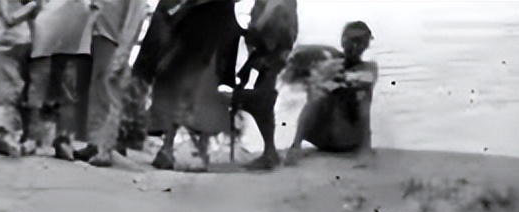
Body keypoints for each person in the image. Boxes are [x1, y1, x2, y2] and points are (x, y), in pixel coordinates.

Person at [133, 0, 241, 172]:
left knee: (197, 87)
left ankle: (189, 150)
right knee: (186, 86)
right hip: (195, 28)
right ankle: (180, 149)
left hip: (207, 29)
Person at [284, 21, 377, 164]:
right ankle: (296, 146)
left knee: (362, 94)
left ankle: (366, 147)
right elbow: (299, 50)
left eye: (360, 42)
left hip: (347, 138)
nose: (355, 47)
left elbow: (361, 82)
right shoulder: (333, 61)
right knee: (318, 94)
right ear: (343, 42)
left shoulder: (369, 67)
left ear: (366, 45)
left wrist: (334, 80)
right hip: (322, 136)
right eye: (351, 42)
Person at [72, 0, 148, 167]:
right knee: (96, 89)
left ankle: (105, 147)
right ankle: (94, 142)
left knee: (109, 90)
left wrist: (124, 51)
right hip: (96, 32)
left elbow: (136, 17)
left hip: (113, 39)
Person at [233, 0, 299, 171]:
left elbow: (270, 23)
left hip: (269, 54)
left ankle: (270, 152)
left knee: (260, 99)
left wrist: (252, 34)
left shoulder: (278, 5)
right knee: (262, 98)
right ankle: (269, 151)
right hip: (271, 53)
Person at [26, 0, 93, 160]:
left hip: (51, 28)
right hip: (72, 30)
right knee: (64, 88)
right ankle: (61, 139)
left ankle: (34, 138)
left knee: (40, 84)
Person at [0, 0, 40, 157]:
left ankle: (5, 134)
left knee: (6, 88)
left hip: (12, 40)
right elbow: (9, 18)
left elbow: (8, 18)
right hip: (19, 38)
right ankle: (15, 135)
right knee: (14, 87)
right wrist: (32, 6)